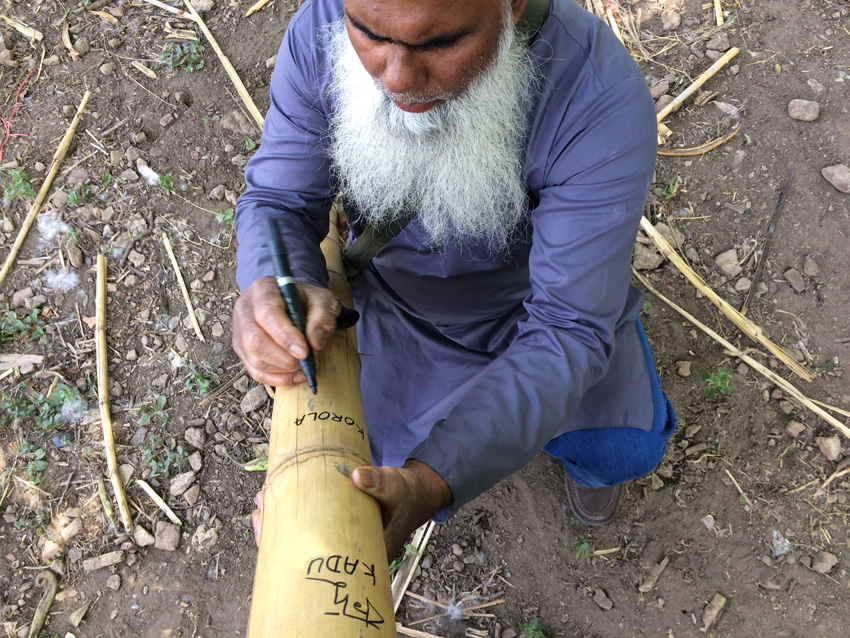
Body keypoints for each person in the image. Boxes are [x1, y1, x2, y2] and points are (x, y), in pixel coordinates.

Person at [233, 0, 677, 558]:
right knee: (353, 461)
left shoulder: (597, 99)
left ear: (513, 6)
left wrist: (428, 484)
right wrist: (275, 283)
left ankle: (585, 468)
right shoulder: (321, 27)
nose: (397, 79)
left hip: (527, 315)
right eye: (370, 33)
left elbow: (567, 326)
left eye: (440, 43)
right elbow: (280, 200)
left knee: (619, 448)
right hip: (391, 305)